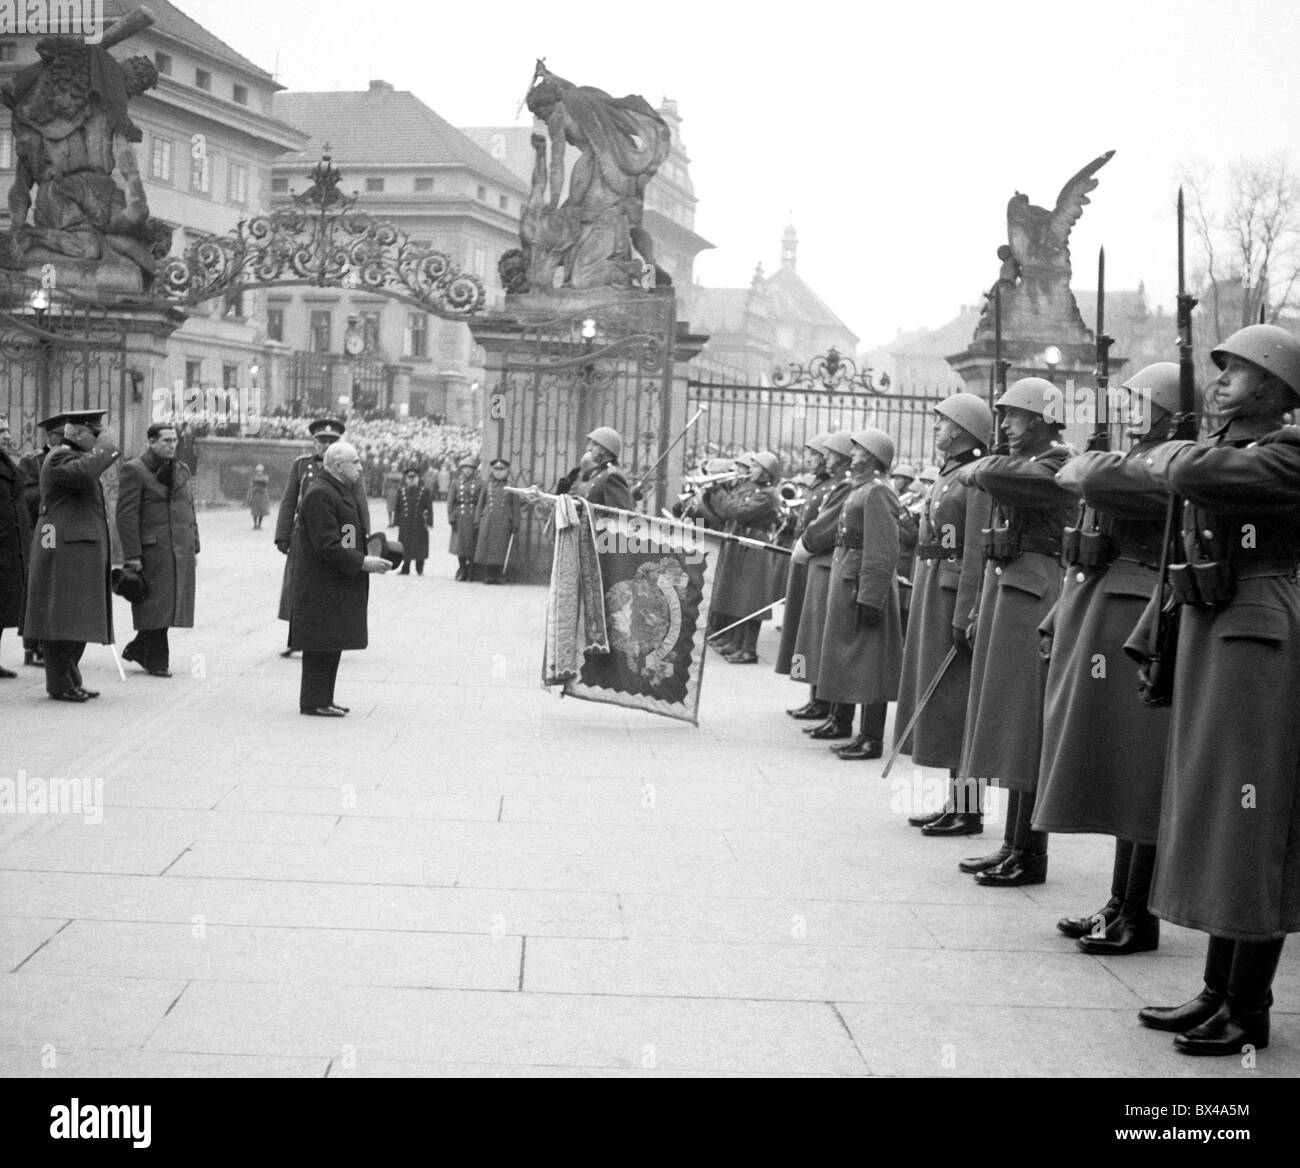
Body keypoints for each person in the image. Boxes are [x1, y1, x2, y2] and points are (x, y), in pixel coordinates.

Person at [1120, 325, 1300, 1055]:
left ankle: (1248, 1006)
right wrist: (1156, 639)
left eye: (1237, 369)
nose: (1221, 379)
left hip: (1257, 639)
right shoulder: (1224, 450)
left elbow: (1189, 471)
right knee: (1220, 812)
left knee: (1252, 817)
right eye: (1218, 367)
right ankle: (1216, 990)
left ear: (1274, 386)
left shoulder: (1286, 452)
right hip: (1212, 628)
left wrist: (1169, 454)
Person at [1031, 364, 1178, 953]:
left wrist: (1089, 460)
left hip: (1140, 613)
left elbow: (1082, 476)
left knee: (1140, 770)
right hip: (1107, 605)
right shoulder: (1137, 458)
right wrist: (1057, 616)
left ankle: (1139, 914)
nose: (1126, 409)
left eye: (1139, 401)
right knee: (1123, 767)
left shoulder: (1169, 462)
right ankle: (1120, 901)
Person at [955, 378, 1076, 886]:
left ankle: (1031, 853)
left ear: (1043, 419)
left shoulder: (1057, 463)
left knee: (1027, 723)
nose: (1004, 424)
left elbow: (991, 475)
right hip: (1009, 589)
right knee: (1007, 718)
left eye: (1015, 415)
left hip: (1035, 591)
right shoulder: (1022, 463)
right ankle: (1012, 843)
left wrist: (979, 466)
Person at [893, 392, 994, 834]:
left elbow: (976, 550)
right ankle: (955, 803)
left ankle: (969, 809)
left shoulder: (976, 477)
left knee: (961, 701)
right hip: (936, 587)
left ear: (962, 428)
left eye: (943, 421)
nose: (936, 427)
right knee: (947, 700)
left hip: (955, 595)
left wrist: (967, 609)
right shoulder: (951, 473)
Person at [814, 428, 904, 759]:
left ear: (873, 456)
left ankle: (871, 738)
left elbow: (882, 549)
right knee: (854, 659)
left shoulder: (878, 491)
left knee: (871, 663)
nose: (852, 454)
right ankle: (849, 726)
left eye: (858, 450)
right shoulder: (861, 488)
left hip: (864, 585)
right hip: (850, 579)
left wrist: (870, 596)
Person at [23, 408, 120, 702]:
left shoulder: (72, 457)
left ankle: (71, 679)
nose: (98, 438)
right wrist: (108, 446)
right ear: (77, 432)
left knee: (76, 619)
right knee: (62, 619)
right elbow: (85, 471)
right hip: (66, 551)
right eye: (94, 433)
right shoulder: (60, 458)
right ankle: (60, 683)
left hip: (76, 550)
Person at [289, 440, 392, 715]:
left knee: (331, 642)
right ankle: (313, 701)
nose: (360, 467)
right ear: (337, 465)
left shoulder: (337, 490)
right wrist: (362, 562)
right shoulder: (321, 494)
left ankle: (324, 699)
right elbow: (327, 544)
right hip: (322, 583)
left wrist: (365, 551)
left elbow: (346, 536)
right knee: (320, 644)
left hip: (336, 580)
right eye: (355, 462)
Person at [115, 422, 199, 678]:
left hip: (179, 549)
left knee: (168, 604)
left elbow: (189, 509)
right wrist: (132, 555)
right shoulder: (135, 470)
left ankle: (139, 649)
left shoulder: (181, 469)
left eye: (174, 440)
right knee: (155, 605)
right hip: (153, 550)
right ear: (151, 442)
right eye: (166, 441)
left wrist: (194, 546)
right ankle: (156, 660)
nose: (172, 445)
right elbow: (126, 516)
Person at [274, 418, 362, 656]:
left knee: (333, 588)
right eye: (322, 440)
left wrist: (356, 544)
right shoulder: (302, 465)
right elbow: (289, 500)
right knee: (299, 588)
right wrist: (282, 535)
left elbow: (357, 507)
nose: (326, 445)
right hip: (303, 537)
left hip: (336, 537)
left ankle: (333, 636)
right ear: (314, 442)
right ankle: (297, 639)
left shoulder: (347, 466)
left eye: (332, 440)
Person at [787, 432, 856, 728]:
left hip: (828, 563)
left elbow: (823, 527)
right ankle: (818, 699)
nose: (825, 459)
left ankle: (828, 705)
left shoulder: (845, 485)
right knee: (813, 636)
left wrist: (806, 544)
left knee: (824, 637)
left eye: (830, 454)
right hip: (820, 562)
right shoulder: (833, 485)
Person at [704, 451, 783, 663]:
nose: (751, 470)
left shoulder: (768, 494)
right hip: (743, 542)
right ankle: (736, 642)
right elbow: (727, 510)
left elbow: (739, 511)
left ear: (767, 473)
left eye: (756, 467)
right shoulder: (754, 489)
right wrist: (712, 496)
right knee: (739, 595)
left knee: (751, 598)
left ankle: (748, 649)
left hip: (755, 545)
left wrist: (719, 494)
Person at [774, 434, 836, 680]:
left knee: (811, 627)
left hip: (815, 556)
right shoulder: (818, 484)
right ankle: (804, 677)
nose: (808, 458)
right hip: (806, 555)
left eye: (814, 454)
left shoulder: (833, 486)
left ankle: (814, 683)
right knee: (801, 625)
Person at [17, 414, 62, 667]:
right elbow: (27, 496)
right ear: (50, 436)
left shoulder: (73, 458)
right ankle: (34, 644)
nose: (64, 440)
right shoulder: (33, 461)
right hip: (45, 529)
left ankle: (53, 641)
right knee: (42, 583)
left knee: (59, 585)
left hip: (64, 530)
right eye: (60, 435)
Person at [0, 414, 33, 678]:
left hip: (11, 548)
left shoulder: (8, 463)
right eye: (1, 431)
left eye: (7, 430)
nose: (7, 435)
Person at [562, 426, 633, 510]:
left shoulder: (613, 476)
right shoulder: (600, 473)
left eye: (594, 444)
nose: (589, 449)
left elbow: (620, 514)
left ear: (606, 449)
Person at [474, 458, 520, 584]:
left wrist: (516, 524)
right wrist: (477, 520)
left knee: (501, 548)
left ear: (507, 471)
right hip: (488, 520)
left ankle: (499, 574)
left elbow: (515, 507)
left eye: (502, 469)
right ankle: (488, 574)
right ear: (492, 471)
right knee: (487, 547)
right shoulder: (486, 485)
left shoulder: (511, 487)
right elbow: (480, 504)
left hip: (504, 522)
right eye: (496, 469)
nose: (499, 472)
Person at [390, 466, 432, 575]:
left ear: (418, 478)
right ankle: (405, 567)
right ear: (406, 479)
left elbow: (429, 508)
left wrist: (429, 523)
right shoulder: (402, 491)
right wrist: (396, 523)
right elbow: (398, 508)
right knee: (405, 545)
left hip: (419, 523)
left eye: (414, 477)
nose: (411, 480)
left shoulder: (424, 491)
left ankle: (419, 567)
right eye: (409, 477)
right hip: (406, 523)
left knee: (419, 545)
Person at [448, 456, 482, 581]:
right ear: (462, 469)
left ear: (474, 470)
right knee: (460, 545)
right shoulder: (456, 482)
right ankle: (462, 568)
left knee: (471, 545)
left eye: (470, 468)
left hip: (472, 516)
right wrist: (451, 516)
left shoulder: (479, 483)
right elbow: (451, 501)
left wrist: (478, 519)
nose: (467, 470)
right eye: (465, 467)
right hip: (460, 517)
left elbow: (480, 502)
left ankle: (471, 570)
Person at [246, 463, 270, 530]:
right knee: (255, 511)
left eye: (260, 470)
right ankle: (255, 524)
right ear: (256, 471)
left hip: (262, 495)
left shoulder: (265, 477)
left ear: (262, 471)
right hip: (256, 494)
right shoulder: (254, 477)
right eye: (258, 470)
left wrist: (261, 487)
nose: (259, 471)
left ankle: (259, 524)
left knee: (262, 511)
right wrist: (251, 493)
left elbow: (266, 484)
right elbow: (251, 486)